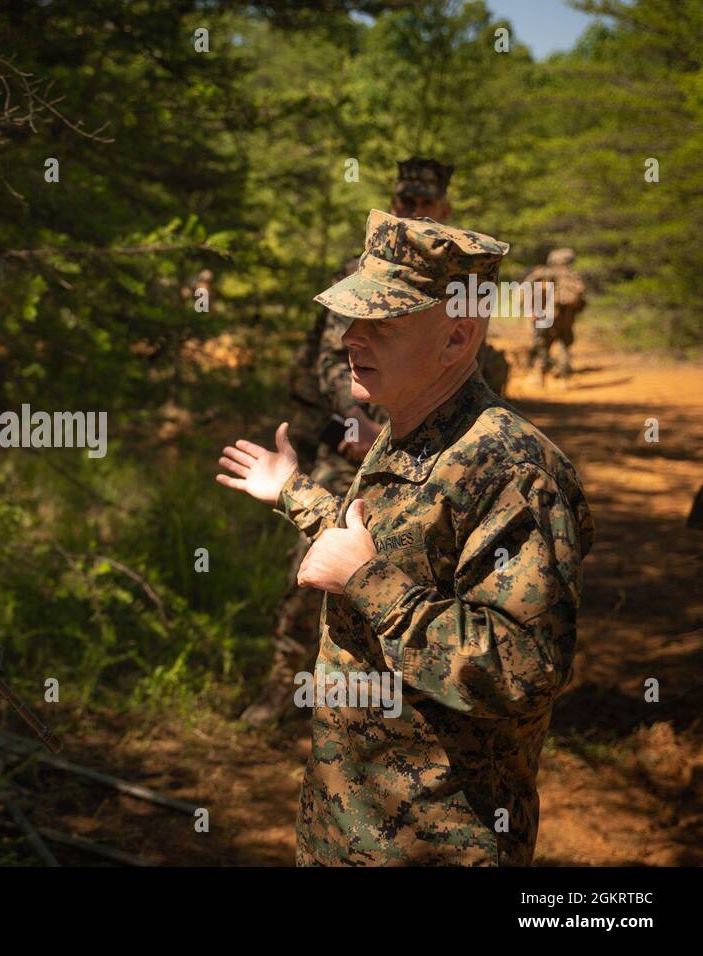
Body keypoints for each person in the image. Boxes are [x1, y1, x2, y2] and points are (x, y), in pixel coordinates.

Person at [218, 210, 594, 864]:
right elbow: (374, 539)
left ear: (456, 337)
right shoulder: (409, 430)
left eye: (380, 324)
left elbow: (526, 668)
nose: (350, 340)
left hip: (436, 845)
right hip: (348, 827)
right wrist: (292, 490)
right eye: (351, 320)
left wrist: (368, 583)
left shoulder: (514, 471)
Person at [244, 157, 510, 726]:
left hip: (434, 439)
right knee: (314, 562)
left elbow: (517, 671)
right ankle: (294, 683)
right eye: (402, 201)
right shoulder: (366, 271)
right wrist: (352, 429)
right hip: (359, 437)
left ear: (442, 207)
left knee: (420, 565)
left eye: (420, 204)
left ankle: (393, 703)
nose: (409, 210)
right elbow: (333, 360)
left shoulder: (458, 279)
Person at [523, 247, 587, 384]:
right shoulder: (572, 276)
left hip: (545, 318)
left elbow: (524, 291)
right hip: (566, 320)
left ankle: (540, 379)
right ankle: (564, 381)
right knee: (564, 348)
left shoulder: (541, 273)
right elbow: (580, 300)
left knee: (543, 347)